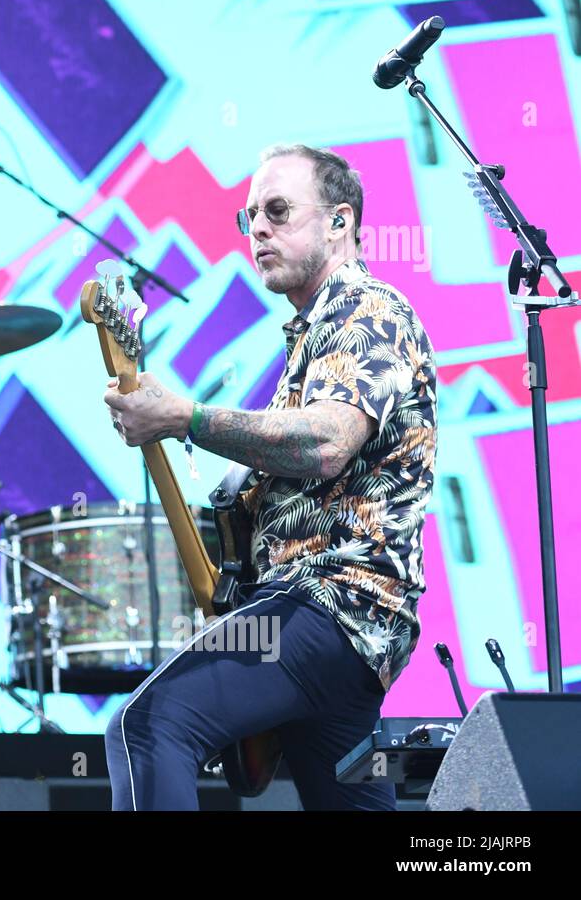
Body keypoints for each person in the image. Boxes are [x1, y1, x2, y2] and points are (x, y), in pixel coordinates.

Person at [102, 144, 437, 810]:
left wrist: (187, 418)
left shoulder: (368, 311)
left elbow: (325, 445)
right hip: (345, 628)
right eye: (249, 215)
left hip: (330, 604)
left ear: (341, 222)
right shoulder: (315, 333)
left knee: (146, 726)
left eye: (278, 211)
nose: (257, 227)